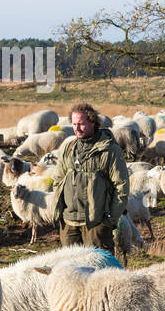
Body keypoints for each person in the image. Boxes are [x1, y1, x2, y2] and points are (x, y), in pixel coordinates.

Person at [50, 101, 130, 252]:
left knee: (98, 269)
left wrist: (110, 219)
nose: (76, 129)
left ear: (93, 122)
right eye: (74, 124)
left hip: (96, 223)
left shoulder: (110, 150)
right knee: (70, 270)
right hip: (69, 223)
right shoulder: (68, 148)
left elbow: (121, 187)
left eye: (80, 124)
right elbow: (58, 180)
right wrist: (60, 211)